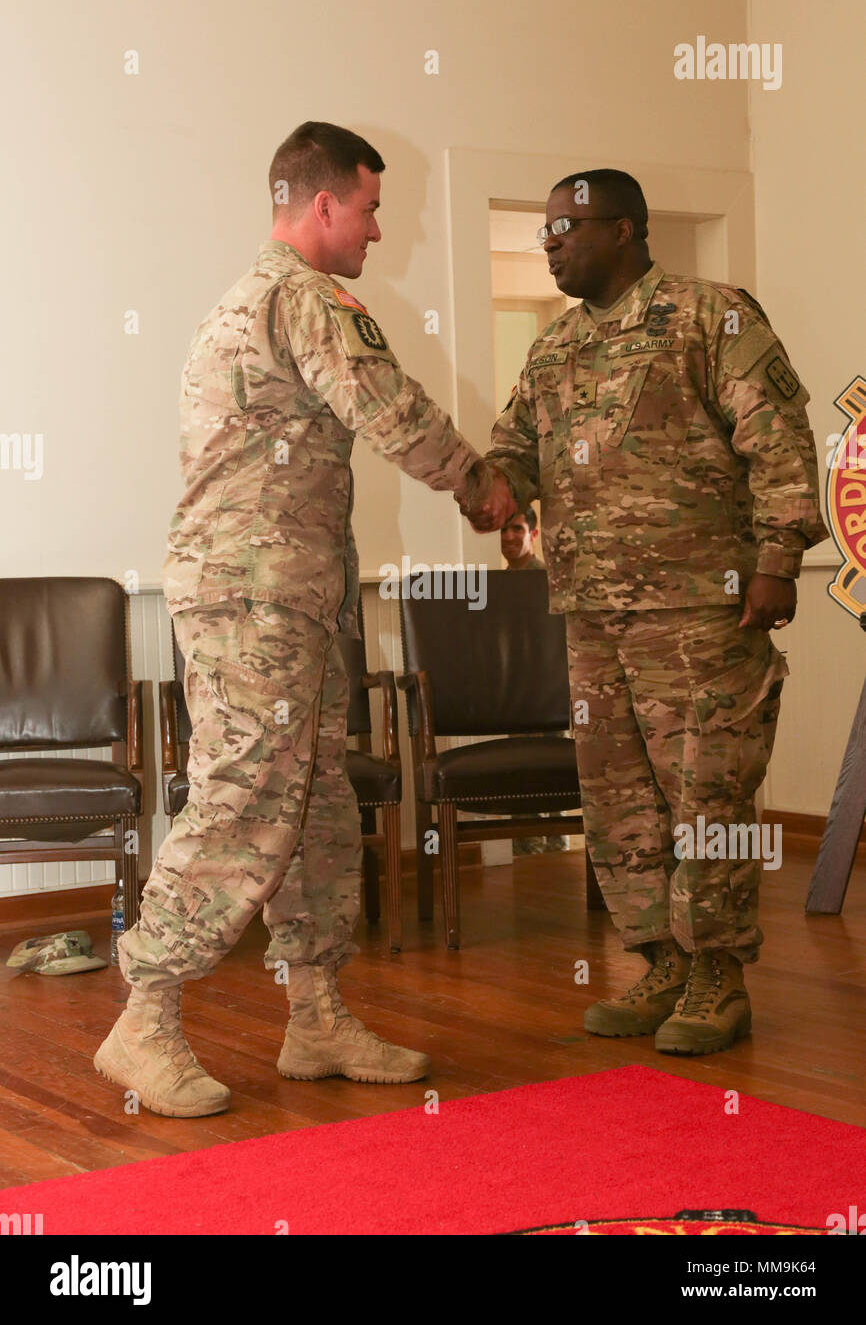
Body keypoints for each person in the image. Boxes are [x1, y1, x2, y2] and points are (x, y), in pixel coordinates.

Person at [94, 121, 512, 1117]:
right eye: (368, 207)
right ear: (321, 205)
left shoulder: (246, 301)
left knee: (319, 802)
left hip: (295, 595)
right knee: (245, 793)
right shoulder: (302, 299)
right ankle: (144, 1018)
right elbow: (390, 410)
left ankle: (316, 1012)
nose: (376, 227)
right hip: (255, 597)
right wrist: (479, 483)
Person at [462, 168, 827, 1055]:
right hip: (592, 611)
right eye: (545, 231)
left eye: (568, 227)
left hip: (705, 608)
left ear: (626, 230)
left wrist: (779, 559)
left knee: (706, 789)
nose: (551, 242)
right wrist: (492, 487)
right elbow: (518, 447)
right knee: (621, 797)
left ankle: (718, 977)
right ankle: (661, 959)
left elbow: (778, 439)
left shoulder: (712, 315)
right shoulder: (553, 351)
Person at [501, 507, 569, 855]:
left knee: (550, 768)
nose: (509, 537)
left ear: (534, 534)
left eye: (517, 529)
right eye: (503, 530)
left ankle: (555, 846)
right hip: (515, 689)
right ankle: (527, 845)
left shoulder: (546, 580)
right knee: (519, 769)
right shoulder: (501, 584)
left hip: (547, 688)